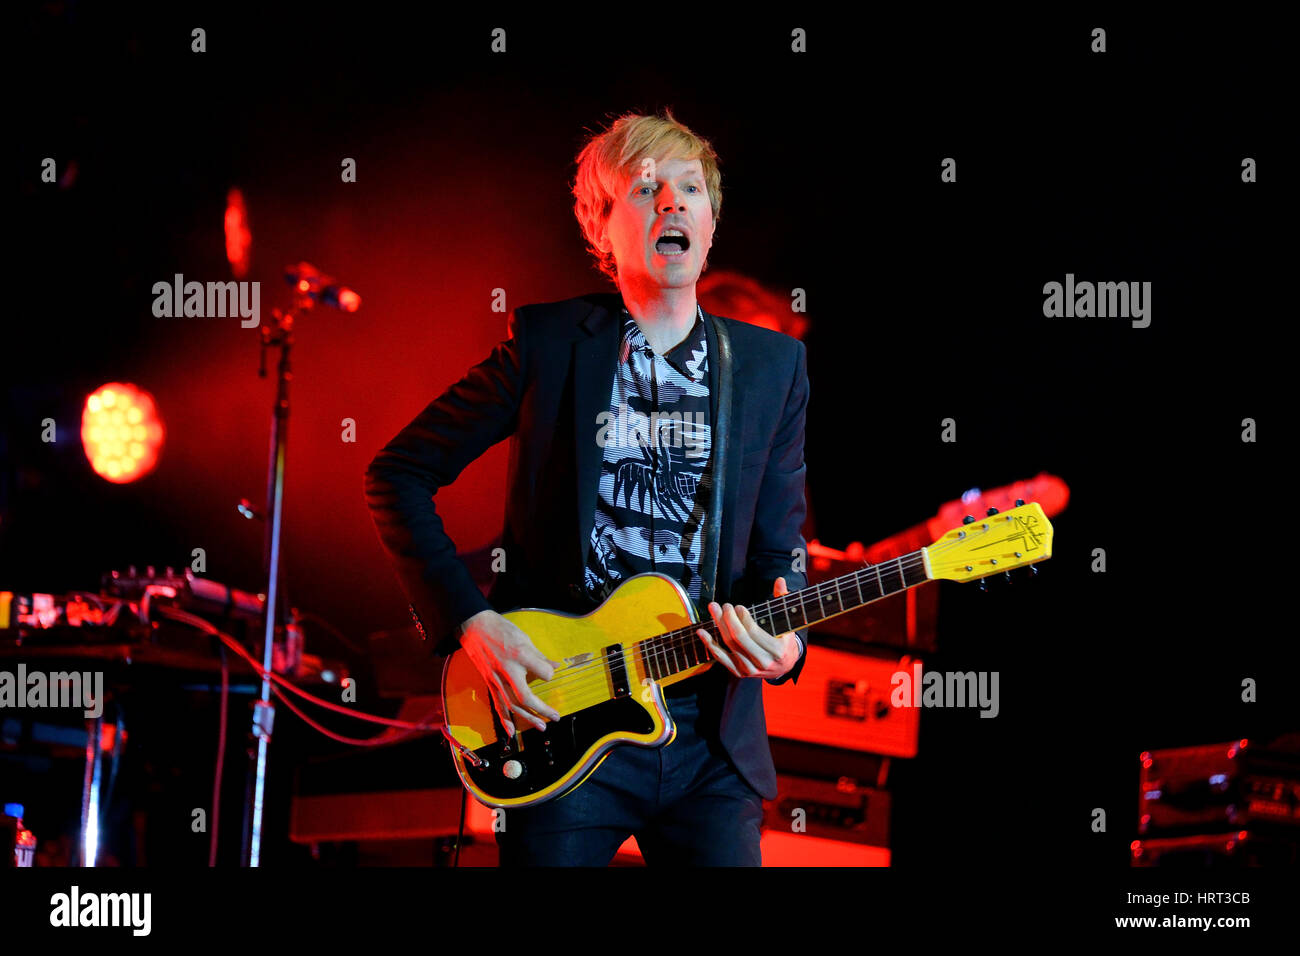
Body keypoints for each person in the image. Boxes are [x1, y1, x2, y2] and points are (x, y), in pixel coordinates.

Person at [364, 108, 811, 866]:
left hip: (713, 741)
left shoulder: (771, 367)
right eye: (644, 190)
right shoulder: (549, 344)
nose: (672, 203)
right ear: (602, 230)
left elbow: (780, 544)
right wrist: (471, 621)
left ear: (709, 224)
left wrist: (786, 641)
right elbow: (397, 473)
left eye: (690, 189)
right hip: (563, 720)